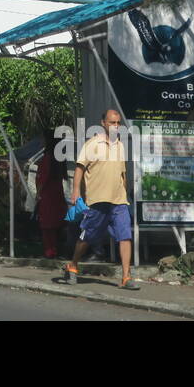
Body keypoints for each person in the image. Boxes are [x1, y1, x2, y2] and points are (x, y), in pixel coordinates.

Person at [64, 109, 138, 289]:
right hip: (97, 200)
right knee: (87, 236)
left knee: (125, 236)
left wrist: (125, 192)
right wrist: (76, 192)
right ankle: (72, 265)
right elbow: (80, 168)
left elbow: (122, 173)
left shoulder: (120, 146)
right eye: (112, 123)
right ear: (103, 123)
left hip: (119, 200)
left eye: (118, 123)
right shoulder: (93, 143)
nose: (115, 126)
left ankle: (126, 277)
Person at [35, 129, 67, 258]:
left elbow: (43, 177)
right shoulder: (58, 158)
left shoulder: (48, 157)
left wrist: (38, 193)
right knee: (55, 224)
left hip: (48, 195)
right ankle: (55, 250)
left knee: (47, 225)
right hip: (57, 193)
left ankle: (50, 252)